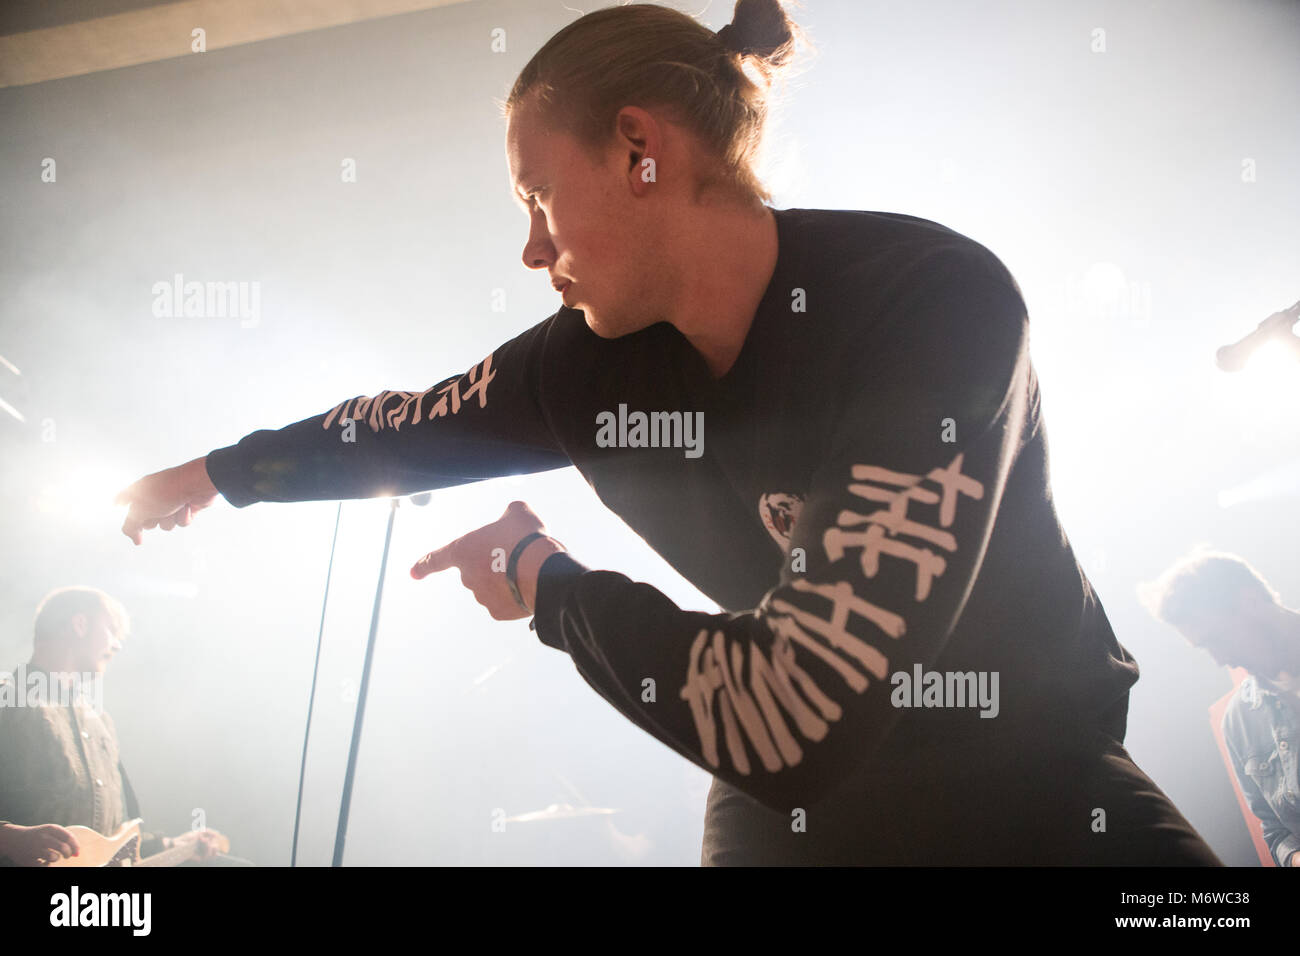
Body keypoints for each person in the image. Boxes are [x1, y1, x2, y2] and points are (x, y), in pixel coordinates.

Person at [115, 0, 1219, 865]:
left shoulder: (930, 301)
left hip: (1030, 767)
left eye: (538, 196)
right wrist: (218, 471)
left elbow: (792, 715)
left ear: (640, 149)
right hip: (798, 824)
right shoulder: (580, 364)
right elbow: (398, 430)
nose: (532, 251)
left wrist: (545, 582)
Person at [0, 587, 231, 866]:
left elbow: (108, 842)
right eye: (111, 630)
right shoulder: (8, 700)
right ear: (80, 624)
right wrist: (10, 839)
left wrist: (171, 845)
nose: (117, 645)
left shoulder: (100, 722)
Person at [1140, 549, 1300, 867]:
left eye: (1218, 639)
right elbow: (1276, 832)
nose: (1220, 659)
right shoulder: (1238, 721)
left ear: (1251, 601)